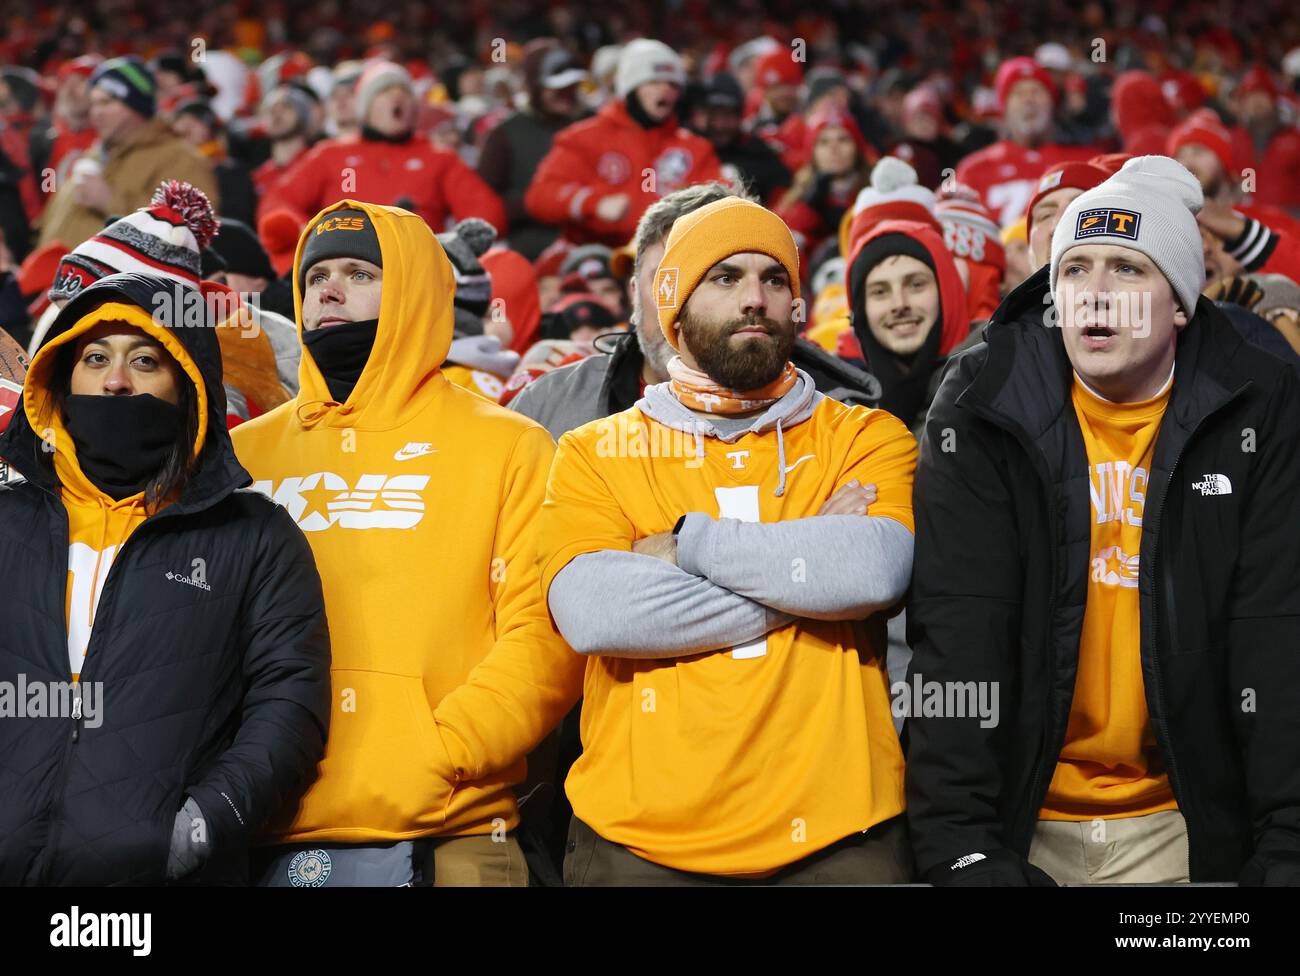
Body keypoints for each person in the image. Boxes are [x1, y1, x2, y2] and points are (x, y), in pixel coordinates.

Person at [906, 156, 1300, 886]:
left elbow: (1275, 639)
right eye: (1076, 269)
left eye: (1128, 270)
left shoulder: (1261, 403)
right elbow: (960, 634)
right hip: (1025, 824)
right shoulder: (982, 403)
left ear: (1181, 302)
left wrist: (1286, 849)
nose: (1096, 296)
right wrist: (962, 845)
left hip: (1191, 824)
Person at [538, 197, 917, 884]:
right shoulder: (592, 452)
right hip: (638, 840)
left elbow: (874, 574)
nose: (755, 299)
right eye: (725, 278)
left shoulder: (869, 436)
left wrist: (686, 547)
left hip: (838, 835)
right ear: (674, 308)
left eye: (775, 280)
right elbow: (595, 613)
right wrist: (809, 569)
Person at [230, 199, 583, 886]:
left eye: (360, 272)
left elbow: (544, 633)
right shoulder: (243, 458)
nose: (327, 289)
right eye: (315, 276)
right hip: (264, 832)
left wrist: (444, 751)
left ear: (418, 291)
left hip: (451, 829)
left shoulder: (507, 444)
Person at [0, 271, 330, 884]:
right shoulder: (6, 520)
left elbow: (289, 703)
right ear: (60, 378)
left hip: (162, 878)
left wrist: (205, 822)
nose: (116, 379)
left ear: (188, 387)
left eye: (145, 360)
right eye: (95, 357)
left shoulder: (255, 535)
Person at [510, 181, 881, 439]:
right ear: (634, 294)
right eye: (666, 283)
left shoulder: (841, 414)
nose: (681, 305)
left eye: (714, 278)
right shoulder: (549, 405)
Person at [258, 62, 506, 235]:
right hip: (345, 270)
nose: (397, 97)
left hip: (416, 269)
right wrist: (309, 234)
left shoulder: (438, 156)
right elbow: (277, 202)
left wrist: (456, 246)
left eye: (404, 92)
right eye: (385, 91)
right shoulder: (331, 154)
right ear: (366, 107)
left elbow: (486, 213)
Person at [524, 39, 721, 247]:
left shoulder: (696, 148)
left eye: (673, 84)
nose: (665, 90)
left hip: (671, 256)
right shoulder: (584, 138)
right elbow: (540, 196)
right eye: (654, 82)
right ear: (631, 87)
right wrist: (593, 203)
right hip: (598, 254)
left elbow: (721, 204)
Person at [37, 57, 218, 251]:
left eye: (106, 102)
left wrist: (111, 202)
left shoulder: (181, 158)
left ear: (136, 106)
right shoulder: (93, 155)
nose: (96, 112)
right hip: (60, 279)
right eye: (94, 103)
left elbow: (188, 236)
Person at [843, 218, 971, 430]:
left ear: (946, 292)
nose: (899, 304)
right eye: (880, 292)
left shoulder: (991, 373)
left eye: (916, 285)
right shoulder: (838, 406)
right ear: (860, 310)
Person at [477, 39, 589, 260]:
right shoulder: (505, 134)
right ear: (535, 86)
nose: (567, 93)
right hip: (530, 248)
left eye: (572, 86)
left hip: (590, 245)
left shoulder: (594, 125)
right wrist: (540, 204)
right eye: (558, 87)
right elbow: (483, 201)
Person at [954, 57, 1097, 226]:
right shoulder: (973, 170)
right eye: (1018, 93)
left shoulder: (1088, 162)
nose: (1029, 100)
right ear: (1003, 107)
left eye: (1037, 91)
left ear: (1052, 104)